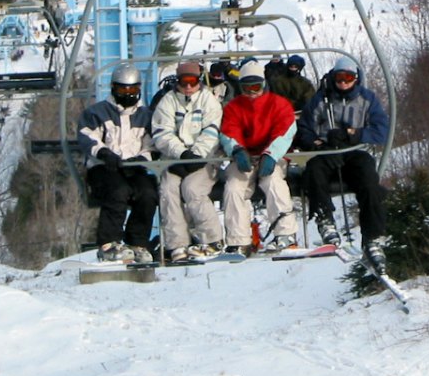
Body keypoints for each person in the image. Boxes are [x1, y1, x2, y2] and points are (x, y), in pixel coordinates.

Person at [299, 56, 390, 272]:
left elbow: (381, 131)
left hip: (355, 152)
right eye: (339, 78)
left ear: (356, 79)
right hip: (327, 152)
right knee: (314, 171)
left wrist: (354, 134)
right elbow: (304, 129)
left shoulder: (367, 99)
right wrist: (317, 144)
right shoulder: (321, 99)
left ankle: (373, 237)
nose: (343, 83)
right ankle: (325, 219)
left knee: (370, 182)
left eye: (348, 78)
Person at [78, 66, 159, 264]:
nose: (128, 94)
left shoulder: (145, 115)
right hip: (104, 168)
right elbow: (86, 135)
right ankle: (109, 243)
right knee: (118, 191)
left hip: (134, 168)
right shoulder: (97, 112)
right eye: (123, 90)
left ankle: (137, 242)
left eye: (132, 90)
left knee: (148, 193)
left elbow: (154, 143)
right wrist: (104, 153)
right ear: (113, 88)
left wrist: (142, 158)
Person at [217, 60, 298, 254]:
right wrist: (236, 150)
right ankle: (239, 239)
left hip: (271, 157)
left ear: (264, 85)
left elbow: (285, 130)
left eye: (256, 87)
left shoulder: (278, 104)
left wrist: (271, 154)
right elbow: (229, 131)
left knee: (273, 183)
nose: (252, 92)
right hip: (244, 158)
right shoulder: (234, 107)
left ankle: (285, 234)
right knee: (233, 187)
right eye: (247, 87)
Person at [149, 59, 225, 264]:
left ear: (199, 80)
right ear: (178, 82)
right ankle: (177, 244)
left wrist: (198, 155)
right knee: (168, 189)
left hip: (205, 159)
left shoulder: (208, 101)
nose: (189, 87)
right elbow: (162, 133)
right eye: (184, 82)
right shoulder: (168, 102)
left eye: (192, 81)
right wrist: (181, 154)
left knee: (192, 189)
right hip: (175, 159)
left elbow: (212, 130)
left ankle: (212, 239)